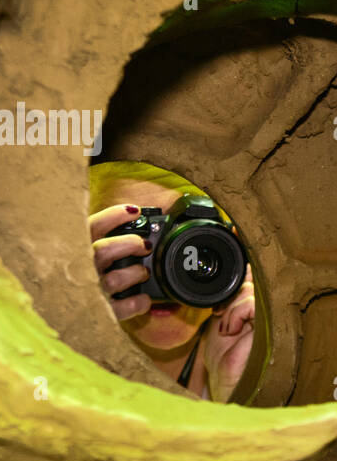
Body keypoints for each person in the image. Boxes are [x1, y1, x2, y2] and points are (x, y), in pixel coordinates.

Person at [88, 161, 255, 402]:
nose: (165, 264)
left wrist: (235, 395)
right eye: (135, 231)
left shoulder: (252, 351)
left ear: (232, 243)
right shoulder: (51, 361)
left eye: (185, 234)